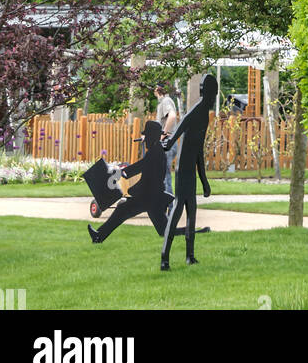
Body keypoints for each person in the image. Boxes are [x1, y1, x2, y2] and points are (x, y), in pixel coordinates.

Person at [160, 73, 217, 270]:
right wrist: (169, 141)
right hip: (183, 172)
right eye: (213, 95)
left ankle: (190, 256)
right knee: (177, 213)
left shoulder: (205, 116)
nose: (213, 99)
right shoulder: (196, 112)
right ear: (207, 93)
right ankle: (164, 258)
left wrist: (204, 181)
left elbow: (199, 151)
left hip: (191, 172)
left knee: (192, 213)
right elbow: (182, 125)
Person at [87, 121, 174, 243]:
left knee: (122, 210)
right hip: (152, 196)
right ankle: (195, 232)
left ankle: (98, 236)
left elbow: (139, 166)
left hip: (149, 196)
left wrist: (120, 172)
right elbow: (142, 167)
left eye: (147, 136)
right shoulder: (156, 150)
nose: (145, 139)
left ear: (152, 136)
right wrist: (122, 172)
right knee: (164, 231)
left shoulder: (155, 152)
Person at [154, 82, 179, 196]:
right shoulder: (163, 102)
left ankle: (169, 207)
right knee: (161, 175)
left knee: (164, 176)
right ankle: (164, 206)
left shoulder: (166, 101)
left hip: (167, 142)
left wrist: (163, 134)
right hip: (167, 142)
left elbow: (172, 116)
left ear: (158, 89)